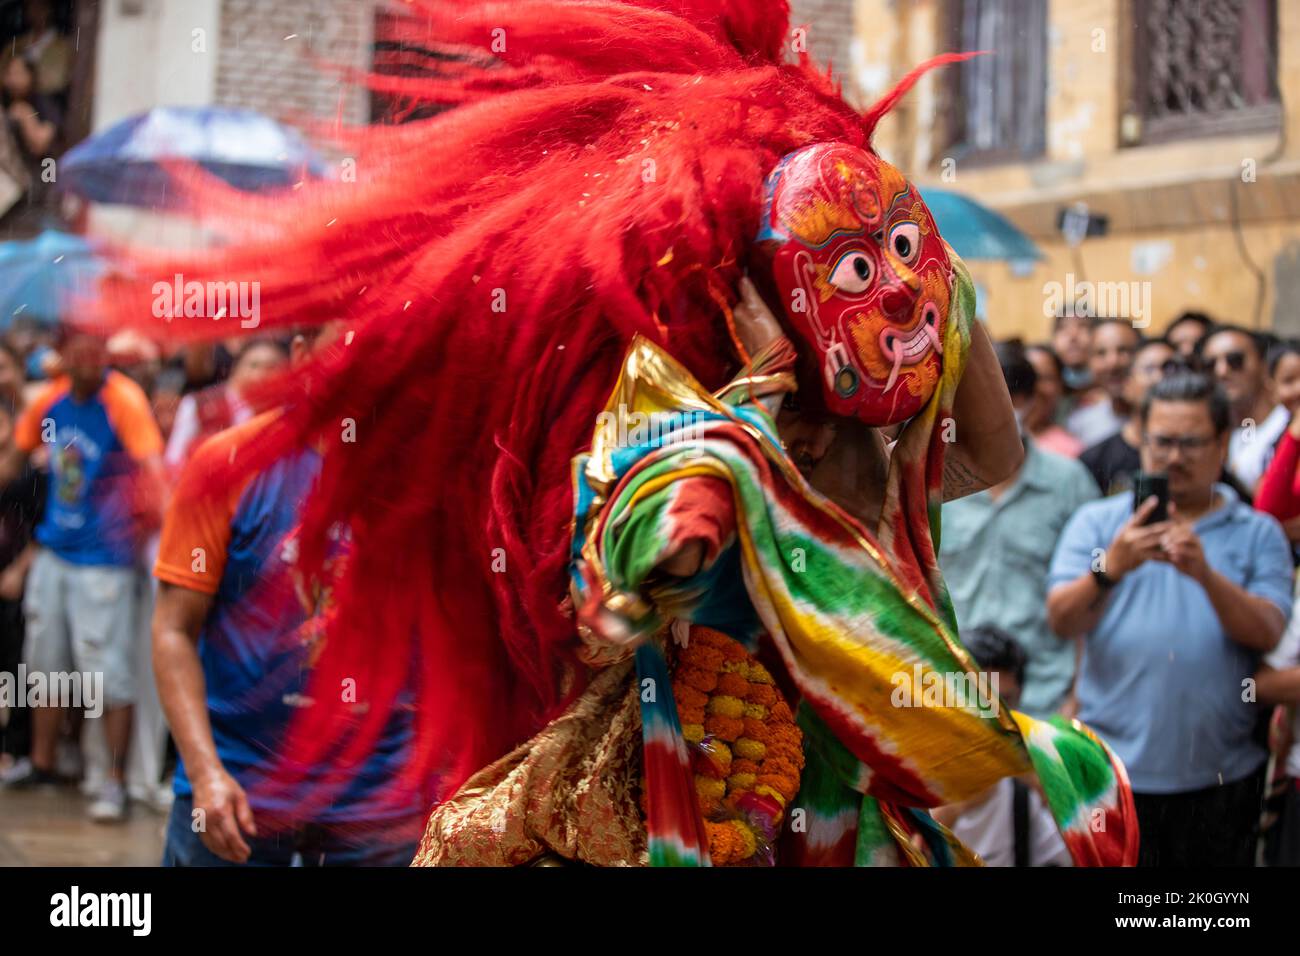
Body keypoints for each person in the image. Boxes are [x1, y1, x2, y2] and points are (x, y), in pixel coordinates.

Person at [103, 0, 1137, 868]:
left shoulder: (858, 475)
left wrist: (919, 276)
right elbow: (631, 574)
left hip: (815, 810)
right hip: (681, 805)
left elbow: (983, 452)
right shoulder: (679, 477)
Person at [153, 325, 425, 866]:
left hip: (377, 804)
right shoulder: (230, 463)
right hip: (239, 790)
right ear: (301, 358)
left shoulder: (423, 477)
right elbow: (172, 630)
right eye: (345, 351)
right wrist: (206, 774)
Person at [1047, 372, 1292, 866]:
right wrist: (1108, 568)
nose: (1174, 457)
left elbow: (1268, 630)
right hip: (1111, 775)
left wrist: (1206, 575)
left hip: (1221, 776)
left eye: (1191, 442)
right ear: (1142, 439)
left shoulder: (1258, 532)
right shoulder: (1097, 523)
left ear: (1222, 443)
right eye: (1161, 441)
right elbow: (1061, 620)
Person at [0, 331, 164, 822]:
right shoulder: (51, 400)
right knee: (44, 664)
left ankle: (113, 779)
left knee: (109, 673)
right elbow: (15, 457)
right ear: (64, 355)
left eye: (97, 350)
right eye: (79, 349)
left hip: (106, 560)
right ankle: (43, 763)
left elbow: (154, 471)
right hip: (55, 550)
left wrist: (153, 532)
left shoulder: (124, 400)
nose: (89, 359)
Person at [939, 340, 1098, 716]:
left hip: (1044, 698)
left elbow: (1095, 598)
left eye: (1005, 399)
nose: (987, 414)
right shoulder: (933, 481)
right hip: (953, 695)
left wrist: (1076, 697)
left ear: (1029, 403)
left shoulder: (1069, 483)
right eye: (972, 401)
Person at [931, 626, 1072, 866]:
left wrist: (1055, 796)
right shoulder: (909, 779)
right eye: (980, 700)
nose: (994, 719)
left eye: (1004, 702)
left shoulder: (1023, 792)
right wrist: (949, 813)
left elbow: (1091, 850)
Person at [163, 338, 288, 472]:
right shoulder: (199, 403)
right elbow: (174, 459)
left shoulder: (283, 412)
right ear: (237, 367)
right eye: (254, 365)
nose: (261, 375)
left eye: (271, 368)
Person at [1079, 338, 1176, 496]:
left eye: (1170, 368)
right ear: (1127, 383)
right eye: (1149, 369)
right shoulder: (1095, 459)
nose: (1160, 378)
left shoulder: (1196, 453)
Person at [1200, 324, 1288, 493]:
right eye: (1210, 365)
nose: (1221, 371)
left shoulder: (1290, 425)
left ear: (1263, 366)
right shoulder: (1211, 434)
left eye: (1235, 360)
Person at [1066, 318, 1140, 449]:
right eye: (1101, 353)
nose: (1112, 362)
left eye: (1123, 350)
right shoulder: (1079, 425)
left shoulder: (1166, 418)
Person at [1024, 343, 1082, 457]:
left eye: (1046, 378)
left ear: (1060, 385)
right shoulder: (997, 438)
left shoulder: (1072, 449)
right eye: (1027, 377)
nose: (1036, 386)